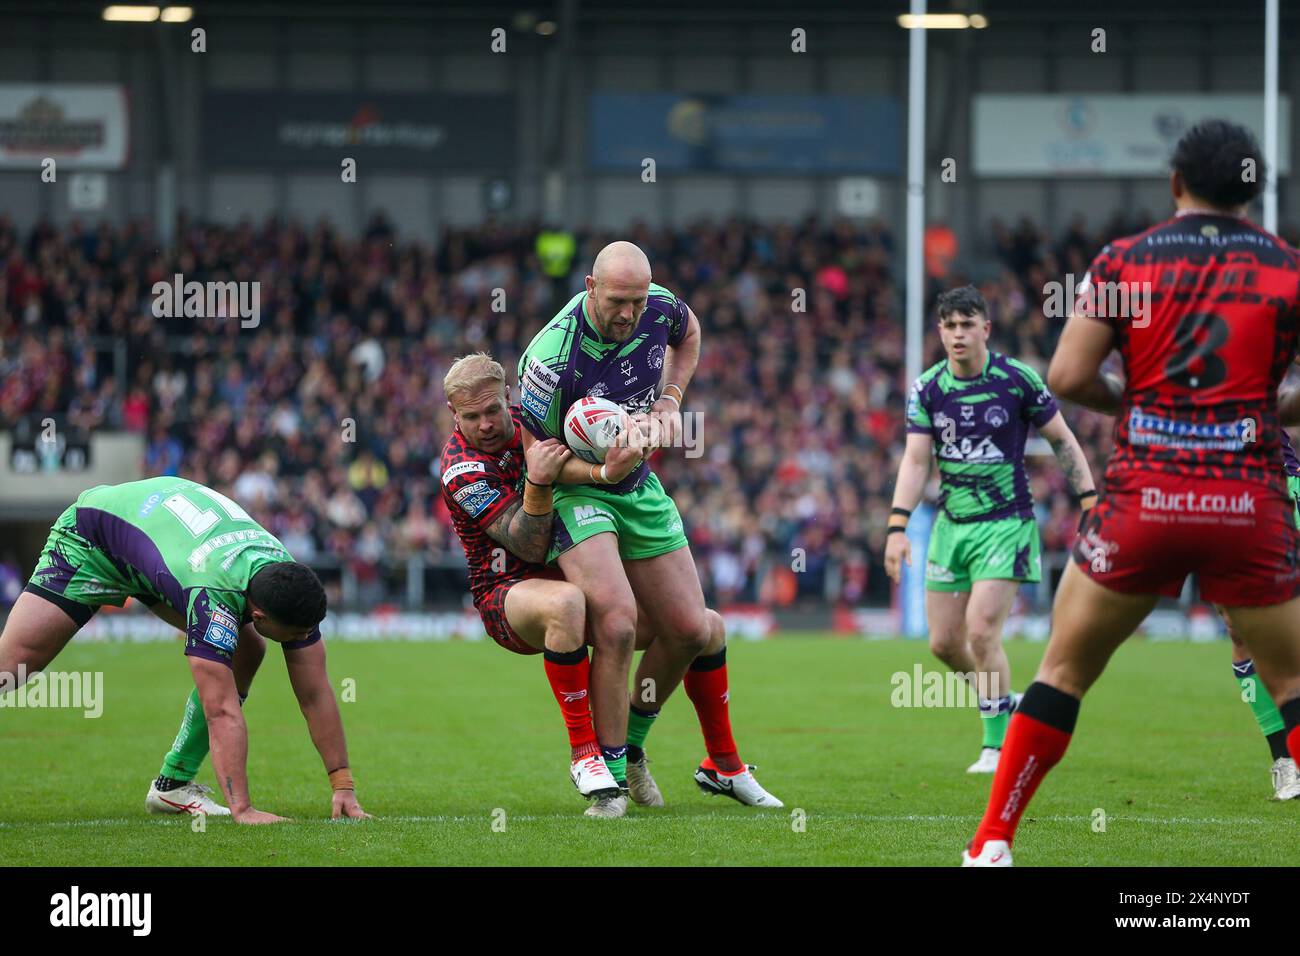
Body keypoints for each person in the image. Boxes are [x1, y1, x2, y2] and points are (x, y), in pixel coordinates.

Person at [964, 119, 1300, 866]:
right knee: (1292, 681)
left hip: (1147, 497)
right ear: (1252, 190)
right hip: (1246, 500)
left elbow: (1067, 380)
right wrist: (1258, 411)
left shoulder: (1128, 262)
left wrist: (1142, 403)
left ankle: (991, 842)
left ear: (1175, 184)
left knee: (1062, 671)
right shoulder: (1287, 267)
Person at [440, 351, 765, 818]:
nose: (487, 424)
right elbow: (528, 547)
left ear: (507, 396)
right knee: (567, 603)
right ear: (455, 415)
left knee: (700, 628)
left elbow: (597, 452)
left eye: (493, 410)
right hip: (510, 590)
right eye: (472, 417)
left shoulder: (536, 420)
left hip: (571, 571)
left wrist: (627, 441)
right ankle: (585, 756)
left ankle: (657, 755)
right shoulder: (461, 468)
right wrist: (538, 481)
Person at [516, 242, 781, 809]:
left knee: (692, 628)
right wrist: (598, 469)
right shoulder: (549, 357)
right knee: (616, 623)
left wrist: (671, 399)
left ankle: (633, 750)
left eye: (637, 301)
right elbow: (535, 455)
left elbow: (691, 333)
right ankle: (606, 777)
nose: (629, 314)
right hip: (576, 489)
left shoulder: (660, 306)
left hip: (637, 485)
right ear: (590, 287)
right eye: (617, 301)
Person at [1, 477, 367, 824]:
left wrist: (343, 785)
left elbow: (315, 693)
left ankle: (172, 786)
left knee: (247, 649)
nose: (304, 638)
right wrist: (243, 809)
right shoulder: (213, 596)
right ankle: (181, 785)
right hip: (93, 535)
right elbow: (220, 709)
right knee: (12, 667)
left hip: (161, 546)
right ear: (259, 614)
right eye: (297, 634)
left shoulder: (284, 578)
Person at [885, 285, 1097, 773]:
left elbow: (1062, 440)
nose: (958, 334)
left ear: (985, 328)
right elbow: (917, 461)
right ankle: (1003, 698)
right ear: (940, 332)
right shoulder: (928, 389)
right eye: (949, 326)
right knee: (942, 643)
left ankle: (995, 745)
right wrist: (897, 526)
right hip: (950, 526)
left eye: (967, 324)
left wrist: (1090, 499)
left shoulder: (1017, 379)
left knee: (982, 632)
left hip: (1006, 524)